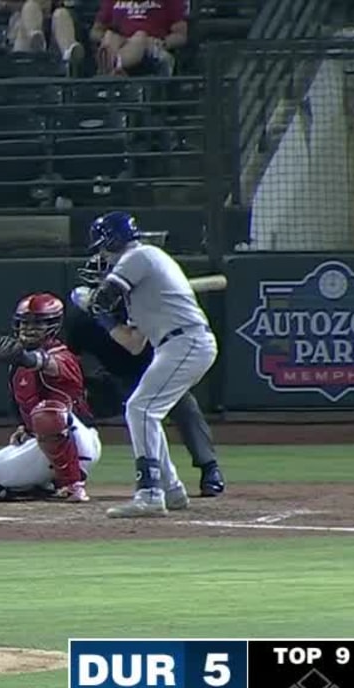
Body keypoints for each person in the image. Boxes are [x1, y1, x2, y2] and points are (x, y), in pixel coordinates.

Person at [74, 210, 218, 518]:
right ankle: (171, 489)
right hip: (176, 344)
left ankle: (151, 493)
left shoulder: (140, 256)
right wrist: (102, 317)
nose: (101, 256)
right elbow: (133, 342)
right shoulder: (142, 287)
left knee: (140, 409)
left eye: (102, 247)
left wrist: (90, 303)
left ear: (112, 241)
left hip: (187, 342)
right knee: (143, 410)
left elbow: (103, 298)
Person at [0, 293, 100, 503]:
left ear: (52, 326)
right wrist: (24, 429)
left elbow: (47, 364)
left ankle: (72, 485)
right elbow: (24, 406)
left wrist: (24, 358)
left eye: (37, 323)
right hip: (44, 444)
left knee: (47, 412)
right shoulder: (16, 367)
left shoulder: (63, 355)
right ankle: (44, 485)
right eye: (25, 323)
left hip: (78, 442)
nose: (28, 329)